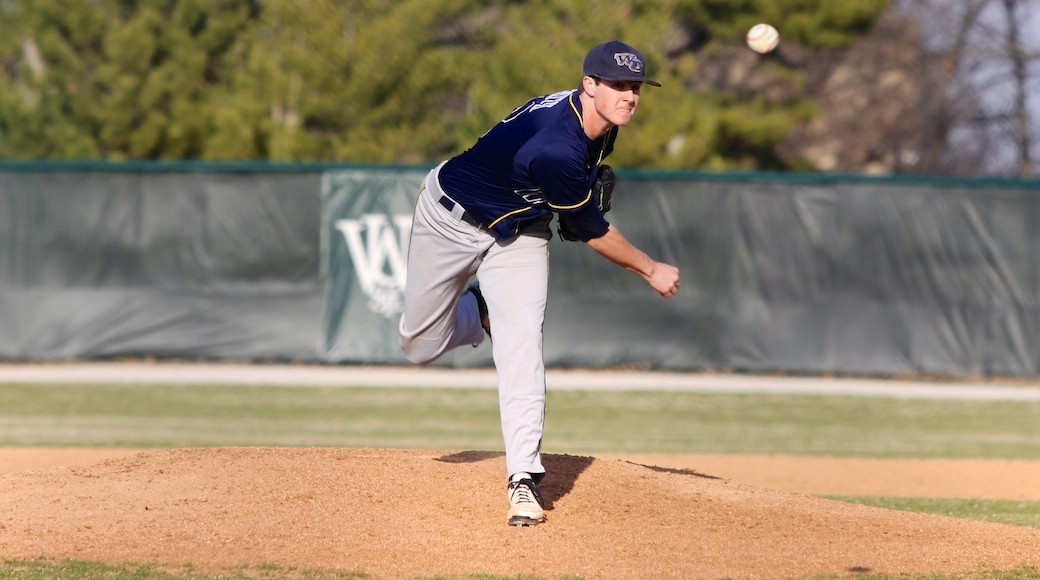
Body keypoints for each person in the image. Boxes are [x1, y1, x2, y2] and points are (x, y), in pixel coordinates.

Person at [399, 40, 680, 526]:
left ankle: (523, 477)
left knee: (522, 342)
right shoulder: (556, 147)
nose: (629, 95)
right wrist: (651, 269)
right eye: (617, 85)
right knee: (420, 346)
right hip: (450, 220)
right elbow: (593, 232)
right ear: (588, 84)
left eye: (635, 87)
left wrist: (568, 199)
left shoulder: (600, 121)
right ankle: (479, 307)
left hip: (521, 228)